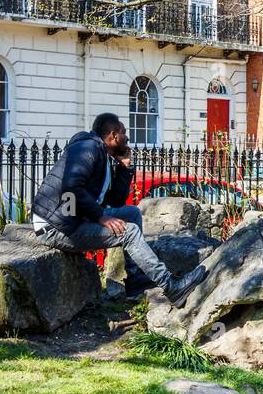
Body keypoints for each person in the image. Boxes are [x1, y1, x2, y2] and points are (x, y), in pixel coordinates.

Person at [31, 113, 206, 305]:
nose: (128, 138)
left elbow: (115, 201)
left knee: (131, 213)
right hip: (57, 227)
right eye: (124, 133)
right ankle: (172, 287)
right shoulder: (87, 148)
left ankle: (134, 279)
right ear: (113, 135)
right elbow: (70, 189)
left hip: (71, 218)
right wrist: (99, 217)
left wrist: (124, 168)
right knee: (128, 231)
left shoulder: (103, 155)